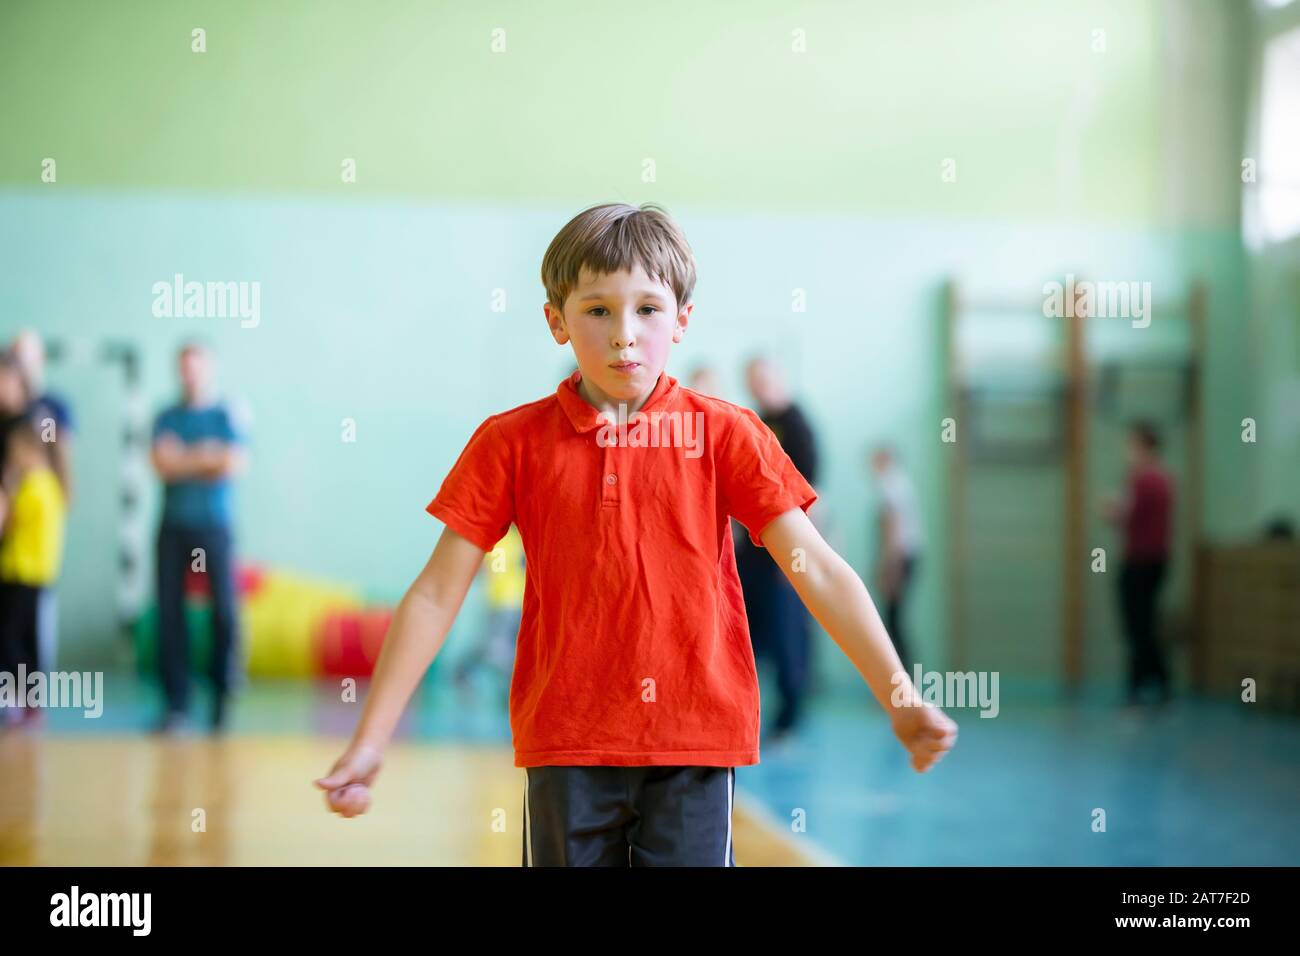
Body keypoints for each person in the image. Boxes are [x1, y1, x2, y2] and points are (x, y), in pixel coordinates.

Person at [315, 202, 957, 867]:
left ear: (682, 319)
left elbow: (817, 569)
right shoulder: (510, 444)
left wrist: (899, 696)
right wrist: (372, 737)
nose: (625, 334)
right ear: (556, 321)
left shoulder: (727, 434)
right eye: (598, 310)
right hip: (566, 745)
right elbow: (434, 594)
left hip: (695, 742)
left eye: (648, 309)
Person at [149, 343, 247, 734]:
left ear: (210, 369)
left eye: (197, 366)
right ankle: (176, 706)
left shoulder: (226, 413)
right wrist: (205, 456)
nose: (191, 374)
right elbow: (162, 465)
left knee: (224, 611)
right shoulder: (166, 416)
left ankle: (221, 698)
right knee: (170, 614)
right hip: (173, 528)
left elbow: (233, 463)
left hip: (214, 527)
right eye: (184, 367)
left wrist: (184, 458)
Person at [737, 355, 820, 741]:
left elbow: (809, 492)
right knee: (749, 632)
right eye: (753, 380)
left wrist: (796, 557)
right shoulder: (753, 422)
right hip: (752, 551)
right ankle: (749, 712)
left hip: (783, 551)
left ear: (779, 378)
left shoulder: (798, 425)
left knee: (788, 634)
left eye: (764, 379)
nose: (759, 387)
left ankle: (790, 717)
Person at [10, 331, 74, 673]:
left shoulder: (48, 411)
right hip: (12, 526)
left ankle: (31, 692)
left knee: (33, 615)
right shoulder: (10, 410)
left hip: (35, 532)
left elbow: (54, 453)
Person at [1102, 421, 1174, 707]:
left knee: (1138, 624)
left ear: (1146, 446)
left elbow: (1123, 514)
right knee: (1140, 624)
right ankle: (1146, 684)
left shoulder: (1146, 480)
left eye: (1133, 445)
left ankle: (1148, 684)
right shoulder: (1156, 479)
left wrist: (1109, 509)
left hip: (1142, 562)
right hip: (1150, 561)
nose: (1128, 451)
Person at [0, 420, 67, 728]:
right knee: (27, 638)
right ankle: (28, 701)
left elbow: (10, 519)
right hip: (33, 575)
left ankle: (26, 696)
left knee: (11, 638)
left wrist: (9, 486)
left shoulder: (35, 486)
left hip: (23, 574)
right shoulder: (49, 485)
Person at [452, 524, 525, 706]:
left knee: (501, 645)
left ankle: (466, 672)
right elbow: (499, 569)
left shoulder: (505, 541)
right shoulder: (511, 542)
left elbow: (488, 569)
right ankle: (508, 687)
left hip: (508, 600)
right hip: (506, 600)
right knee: (498, 647)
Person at [870, 445, 923, 671]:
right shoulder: (901, 484)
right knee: (895, 620)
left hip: (901, 558)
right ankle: (903, 683)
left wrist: (889, 568)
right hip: (907, 556)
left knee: (893, 622)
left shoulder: (890, 485)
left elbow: (893, 531)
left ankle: (901, 684)